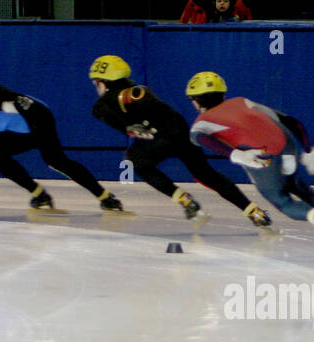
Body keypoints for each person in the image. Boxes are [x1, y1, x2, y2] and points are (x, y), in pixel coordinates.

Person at [88, 55, 270, 228]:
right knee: (206, 174)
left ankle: (183, 199)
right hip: (179, 129)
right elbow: (136, 99)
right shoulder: (127, 94)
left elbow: (118, 105)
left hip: (160, 136)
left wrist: (129, 127)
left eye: (96, 84)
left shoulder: (115, 99)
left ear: (102, 83)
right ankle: (253, 212)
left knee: (136, 160)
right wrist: (131, 125)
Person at [185, 71, 314, 242]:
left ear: (196, 102)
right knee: (297, 185)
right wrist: (308, 150)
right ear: (223, 94)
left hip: (260, 153)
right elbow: (292, 122)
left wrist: (235, 154)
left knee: (282, 201)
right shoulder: (243, 101)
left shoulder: (201, 121)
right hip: (287, 142)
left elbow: (199, 137)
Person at [0, 64, 124, 214]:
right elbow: (2, 119)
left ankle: (40, 196)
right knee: (57, 160)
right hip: (41, 113)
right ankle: (106, 198)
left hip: (30, 124)